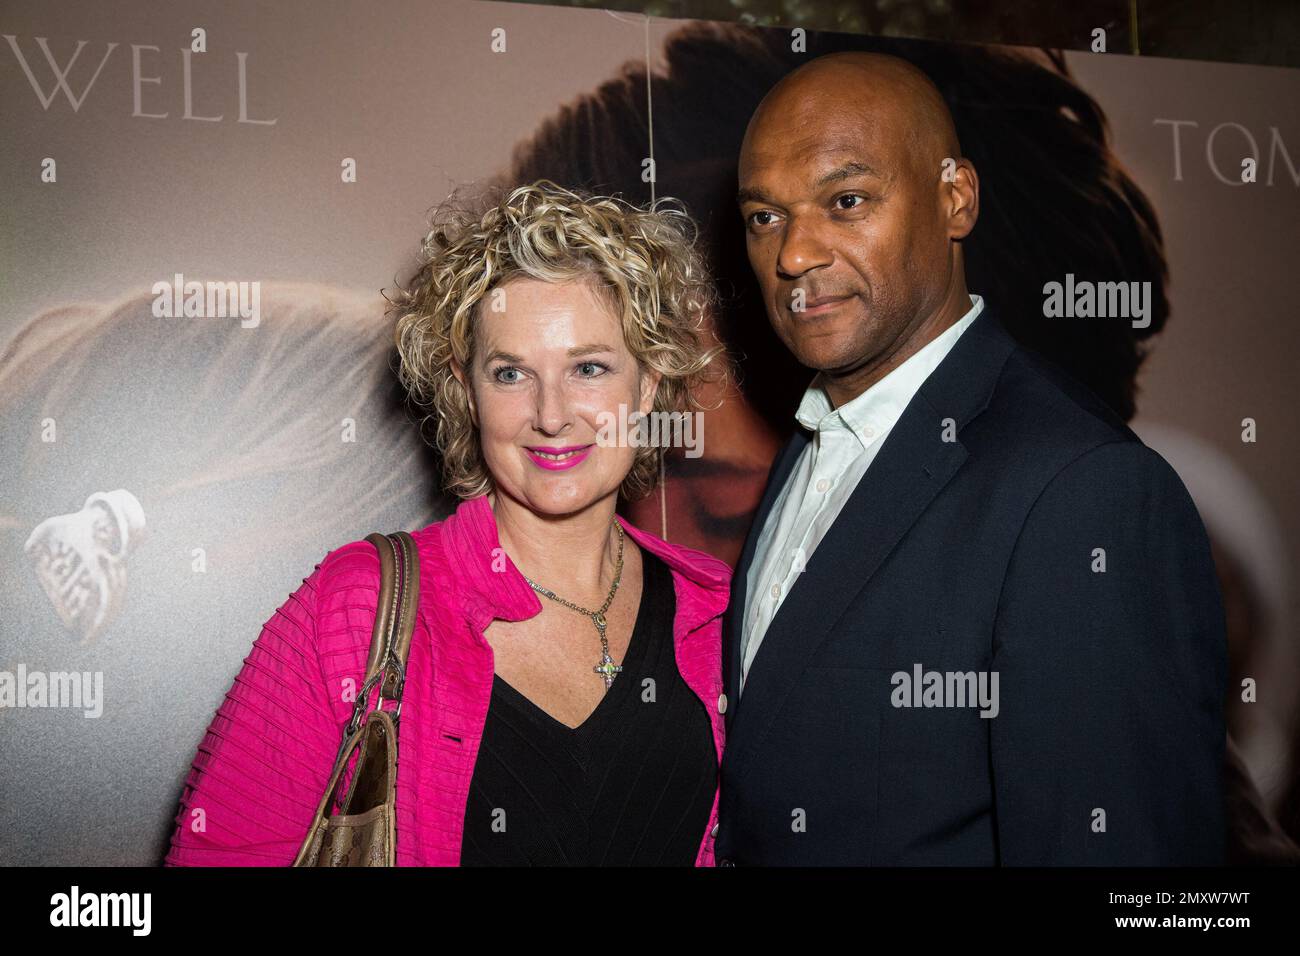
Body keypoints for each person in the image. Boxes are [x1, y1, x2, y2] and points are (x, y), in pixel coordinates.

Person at [715, 52, 1227, 865]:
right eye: (764, 217)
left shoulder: (1084, 491)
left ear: (956, 199)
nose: (795, 255)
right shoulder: (810, 447)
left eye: (846, 201)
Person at [164, 180, 732, 866]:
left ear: (646, 385)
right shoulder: (358, 605)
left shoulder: (716, 611)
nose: (551, 415)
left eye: (588, 368)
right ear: (465, 391)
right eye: (511, 374)